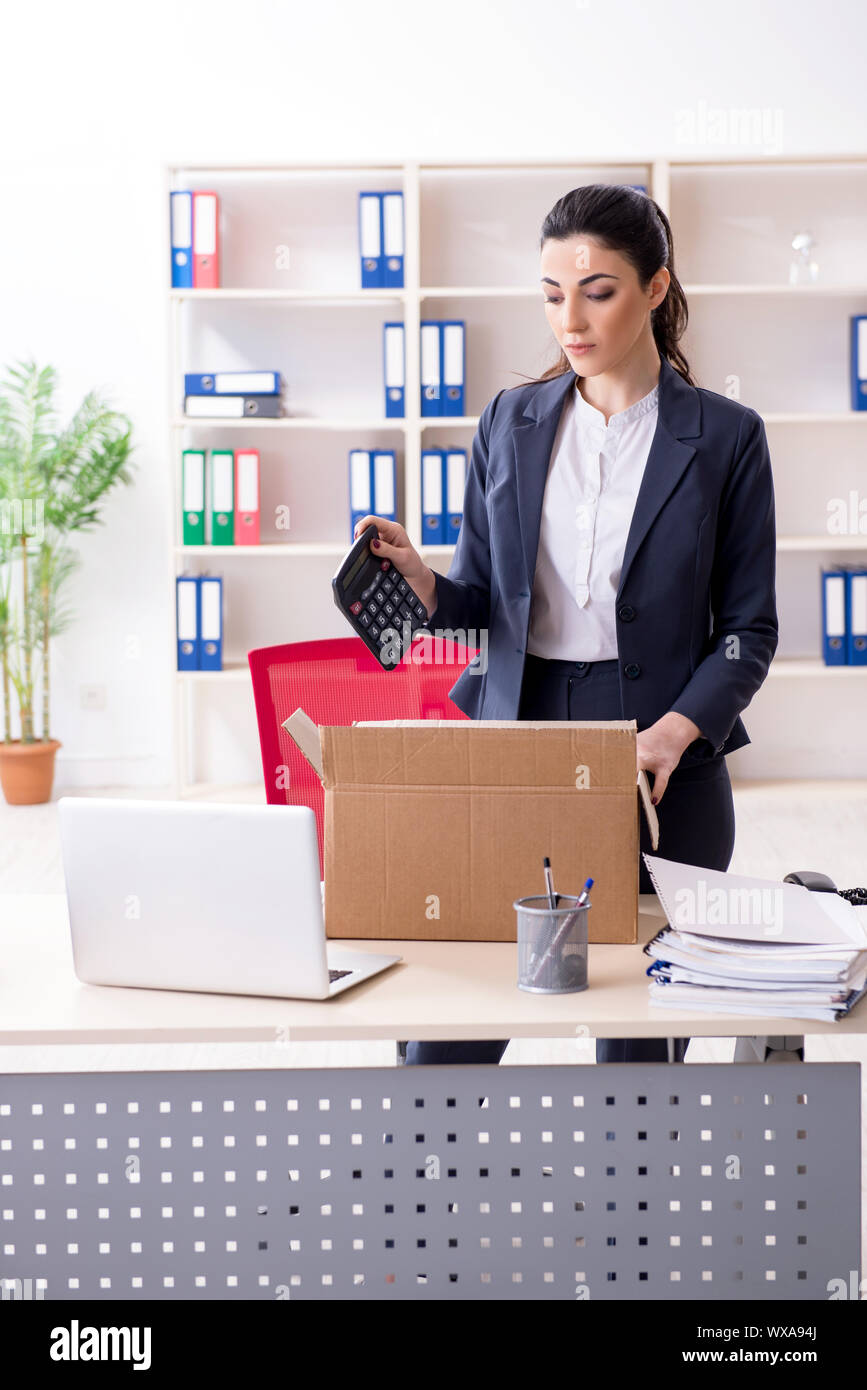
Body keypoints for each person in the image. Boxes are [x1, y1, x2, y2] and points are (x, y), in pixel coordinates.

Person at [353, 183, 778, 1066]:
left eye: (597, 291)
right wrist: (420, 579)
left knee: (638, 1057)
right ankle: (418, 1201)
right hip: (518, 740)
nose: (569, 320)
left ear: (655, 290)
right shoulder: (508, 422)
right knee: (447, 1038)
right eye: (551, 294)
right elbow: (481, 611)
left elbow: (747, 630)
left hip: (661, 757)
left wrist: (673, 733)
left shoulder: (727, 437)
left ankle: (627, 1209)